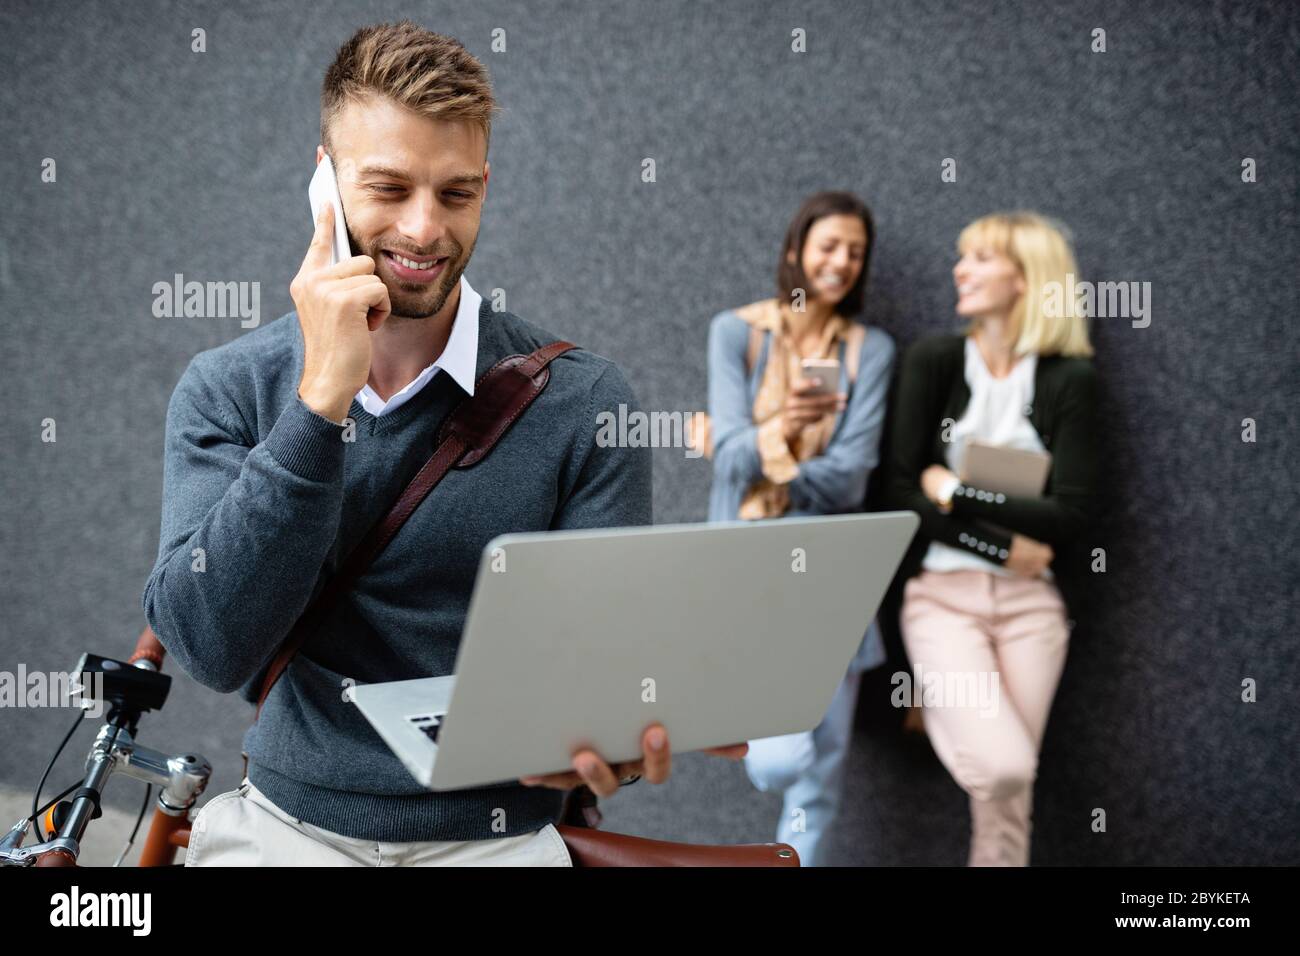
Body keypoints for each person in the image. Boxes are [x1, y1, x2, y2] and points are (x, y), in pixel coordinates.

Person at [144, 21, 744, 867]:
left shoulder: (584, 401)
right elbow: (209, 642)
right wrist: (320, 403)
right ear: (325, 184)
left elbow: (598, 671)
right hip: (286, 830)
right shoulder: (229, 386)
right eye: (388, 188)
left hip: (495, 842)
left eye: (456, 194)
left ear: (486, 187)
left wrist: (615, 732)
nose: (425, 230)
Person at [886, 211, 1099, 866]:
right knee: (1005, 768)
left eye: (980, 258)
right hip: (944, 601)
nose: (960, 269)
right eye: (962, 255)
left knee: (1007, 813)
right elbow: (897, 494)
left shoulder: (1070, 381)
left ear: (1027, 276)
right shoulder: (937, 361)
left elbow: (1071, 515)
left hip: (1033, 611)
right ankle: (938, 697)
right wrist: (1002, 544)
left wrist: (956, 491)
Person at [701, 191, 895, 866]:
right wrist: (782, 428)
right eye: (828, 246)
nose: (840, 262)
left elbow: (848, 480)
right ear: (796, 250)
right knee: (780, 761)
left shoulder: (871, 352)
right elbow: (729, 460)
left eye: (855, 252)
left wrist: (757, 449)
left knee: (820, 779)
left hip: (830, 569)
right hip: (745, 568)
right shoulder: (737, 332)